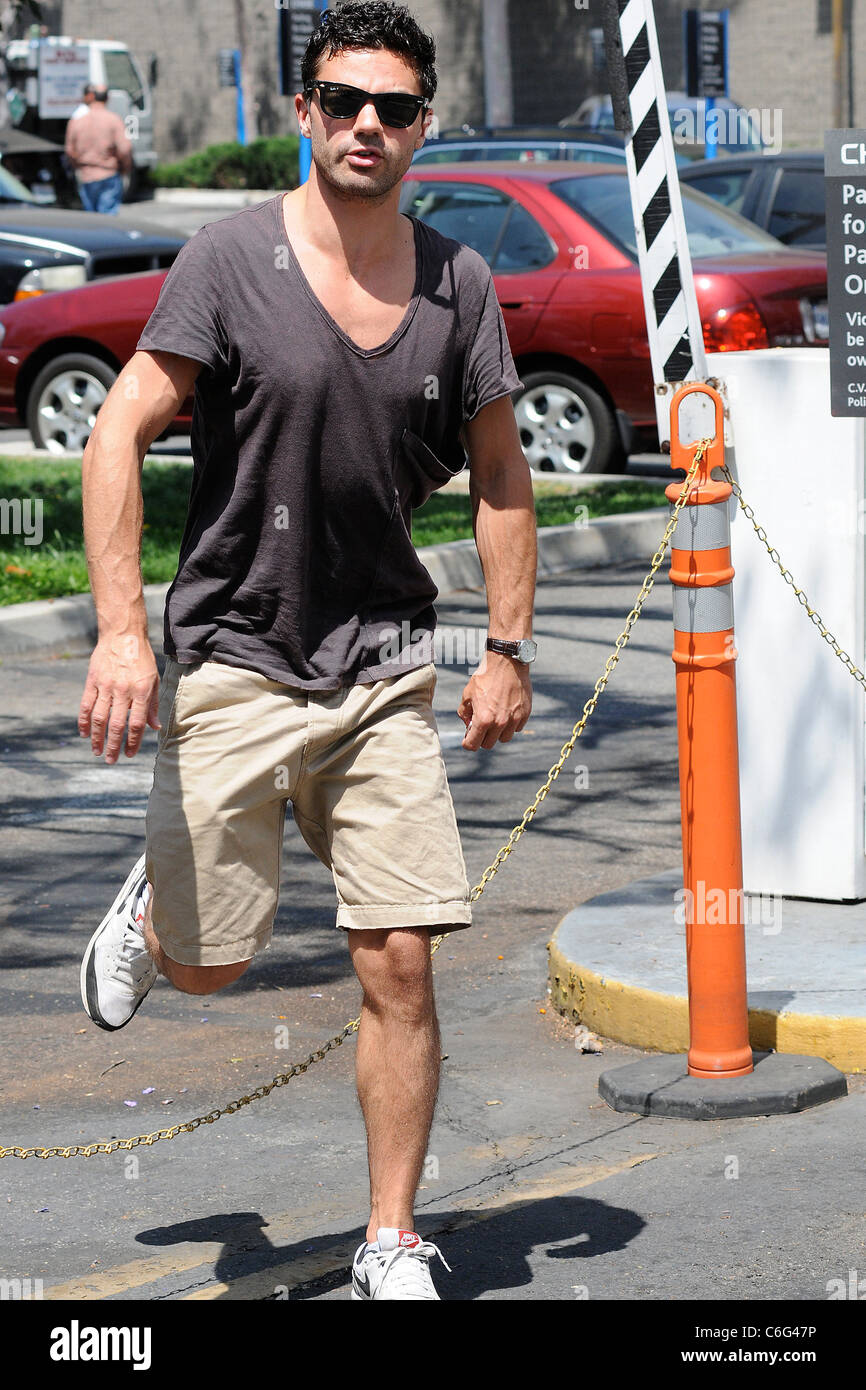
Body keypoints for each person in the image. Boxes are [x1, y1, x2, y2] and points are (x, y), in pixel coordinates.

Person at [77, 0, 537, 1300]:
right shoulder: (226, 261)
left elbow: (501, 472)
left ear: (423, 126)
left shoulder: (458, 285)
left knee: (399, 956)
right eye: (342, 102)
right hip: (233, 652)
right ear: (305, 113)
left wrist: (505, 645)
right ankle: (155, 904)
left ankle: (390, 1234)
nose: (366, 127)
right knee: (213, 964)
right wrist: (122, 631)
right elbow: (116, 434)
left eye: (393, 108)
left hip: (383, 663)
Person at [64, 83, 132, 214]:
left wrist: (79, 166)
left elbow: (69, 151)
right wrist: (125, 168)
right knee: (108, 219)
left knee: (91, 221)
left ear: (91, 97)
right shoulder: (113, 120)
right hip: (108, 174)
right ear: (107, 99)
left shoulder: (77, 121)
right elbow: (125, 149)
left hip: (86, 175)